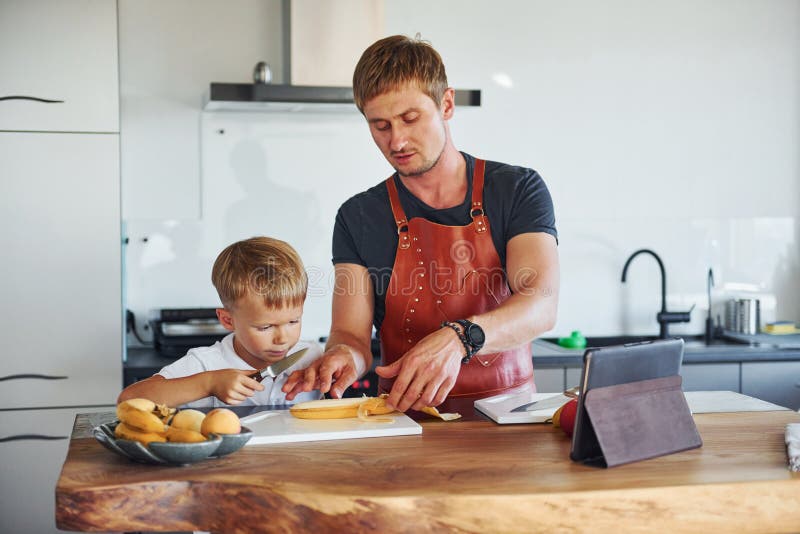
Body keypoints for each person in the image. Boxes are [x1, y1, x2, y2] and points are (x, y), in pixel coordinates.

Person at [283, 34, 559, 414]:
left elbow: (540, 304)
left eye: (410, 119)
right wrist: (344, 356)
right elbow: (350, 334)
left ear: (447, 103)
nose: (397, 140)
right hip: (406, 423)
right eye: (380, 126)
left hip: (510, 419)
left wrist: (461, 337)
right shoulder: (359, 216)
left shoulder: (516, 189)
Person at [118, 236, 323, 408]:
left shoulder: (312, 356)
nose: (283, 338)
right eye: (265, 327)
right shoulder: (205, 364)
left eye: (294, 321)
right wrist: (208, 384)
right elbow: (128, 400)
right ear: (227, 320)